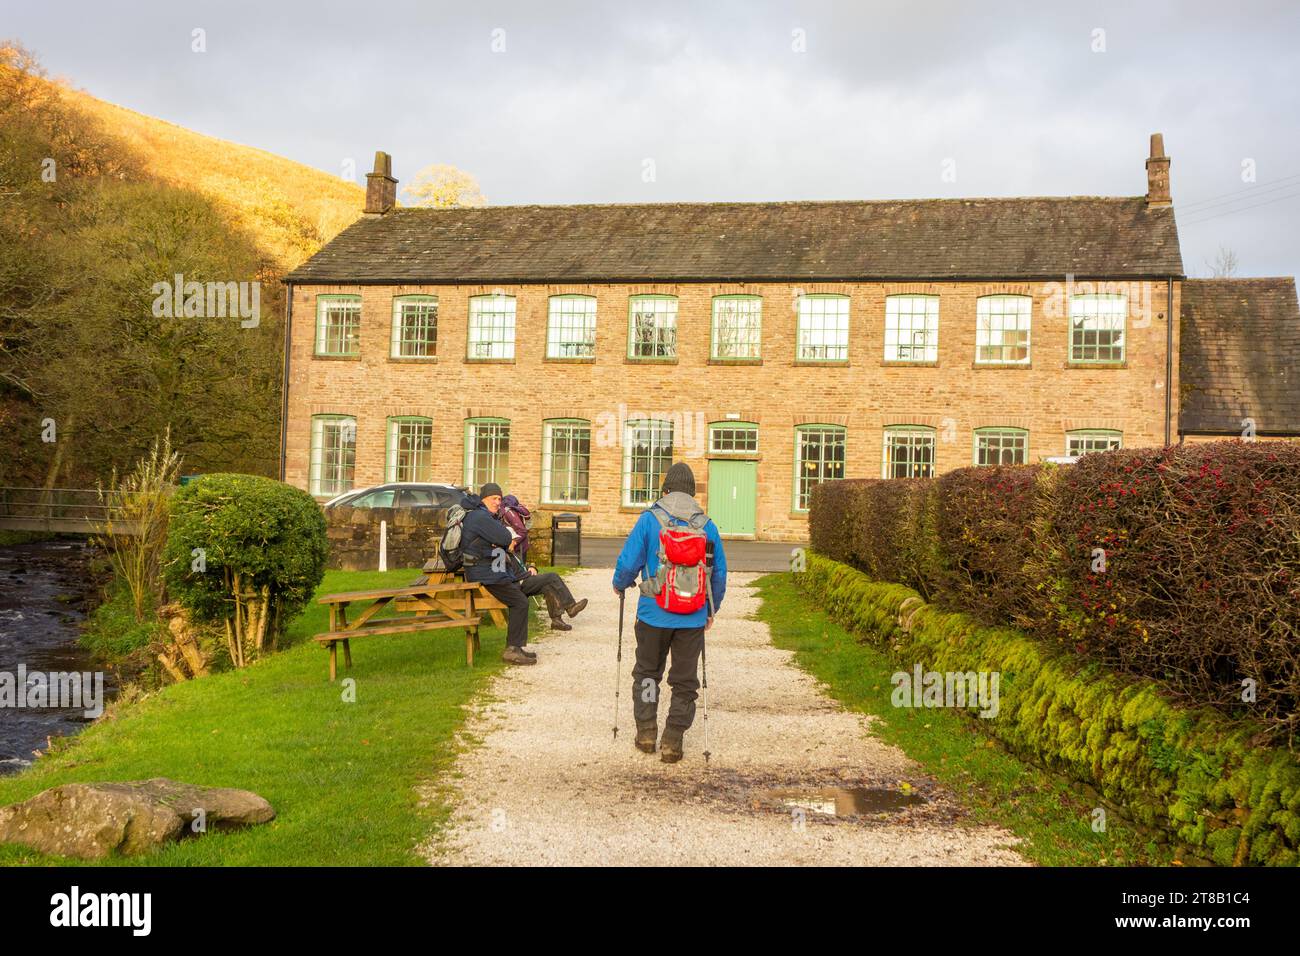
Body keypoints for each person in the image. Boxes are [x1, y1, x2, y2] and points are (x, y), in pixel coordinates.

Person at [611, 462, 727, 763]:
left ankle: (647, 732)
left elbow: (628, 562)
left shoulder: (650, 519)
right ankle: (673, 741)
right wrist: (710, 610)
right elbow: (720, 574)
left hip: (653, 613)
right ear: (692, 493)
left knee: (648, 673)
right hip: (692, 616)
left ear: (664, 490)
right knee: (685, 680)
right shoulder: (708, 525)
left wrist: (619, 584)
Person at [459, 483, 587, 665]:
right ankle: (512, 650)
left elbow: (503, 541)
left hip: (498, 572)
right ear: (484, 499)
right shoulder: (480, 517)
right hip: (485, 574)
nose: (498, 502)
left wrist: (503, 543)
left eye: (499, 499)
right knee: (519, 601)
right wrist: (502, 540)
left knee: (548, 579)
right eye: (494, 498)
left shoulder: (487, 517)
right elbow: (505, 537)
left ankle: (565, 611)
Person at [499, 493, 570, 631]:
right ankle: (570, 607)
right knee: (552, 578)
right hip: (518, 583)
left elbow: (518, 566)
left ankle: (557, 620)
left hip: (522, 578)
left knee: (548, 585)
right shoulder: (503, 553)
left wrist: (531, 567)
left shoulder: (512, 552)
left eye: (514, 539)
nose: (514, 542)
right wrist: (527, 574)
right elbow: (510, 574)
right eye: (512, 540)